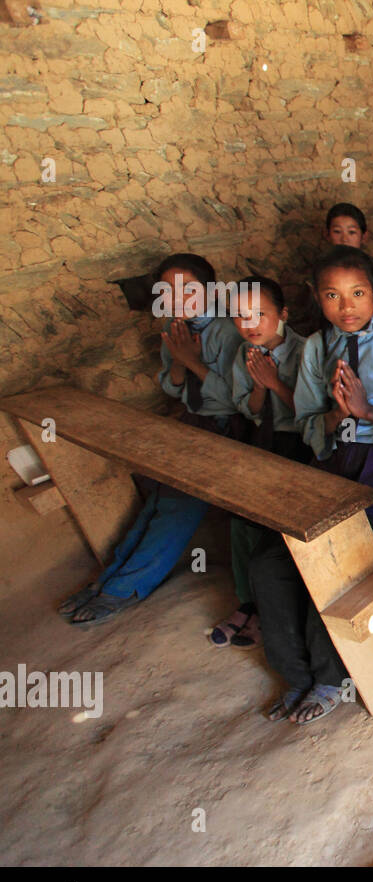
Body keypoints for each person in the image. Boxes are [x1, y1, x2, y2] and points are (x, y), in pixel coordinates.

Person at [251, 245, 373, 724]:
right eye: (333, 296)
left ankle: (330, 676)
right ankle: (294, 674)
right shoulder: (317, 348)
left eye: (358, 293)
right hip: (337, 466)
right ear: (318, 300)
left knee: (340, 561)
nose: (347, 307)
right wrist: (339, 414)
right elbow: (309, 427)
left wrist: (368, 412)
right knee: (272, 561)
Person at [57, 253, 243, 626]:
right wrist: (177, 362)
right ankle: (107, 581)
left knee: (178, 504)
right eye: (169, 290)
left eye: (188, 289)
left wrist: (190, 360)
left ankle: (123, 588)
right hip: (194, 421)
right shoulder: (176, 326)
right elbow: (172, 388)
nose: (179, 297)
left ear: (210, 288)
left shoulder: (229, 329)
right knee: (158, 496)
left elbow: (234, 398)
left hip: (231, 430)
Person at [207, 275, 310, 649]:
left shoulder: (305, 351)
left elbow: (313, 414)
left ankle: (273, 606)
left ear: (282, 313)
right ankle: (248, 601)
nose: (248, 324)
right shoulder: (242, 354)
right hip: (264, 440)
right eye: (239, 316)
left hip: (302, 445)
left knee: (275, 524)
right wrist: (258, 388)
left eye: (259, 314)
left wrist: (276, 384)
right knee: (240, 516)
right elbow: (250, 411)